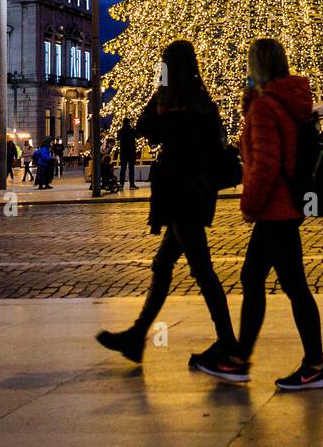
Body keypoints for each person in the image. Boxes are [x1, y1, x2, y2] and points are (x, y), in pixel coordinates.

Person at [96, 40, 242, 379]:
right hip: (196, 193)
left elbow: (146, 127)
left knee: (202, 271)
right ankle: (136, 336)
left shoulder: (171, 100)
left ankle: (229, 345)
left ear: (168, 68)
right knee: (164, 263)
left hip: (180, 195)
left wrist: (160, 88)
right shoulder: (202, 100)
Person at [234, 38, 323, 392]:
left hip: (275, 210)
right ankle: (240, 357)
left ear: (258, 66)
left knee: (293, 286)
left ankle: (314, 365)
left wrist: (249, 204)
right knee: (253, 277)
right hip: (287, 206)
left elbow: (266, 164)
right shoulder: (289, 101)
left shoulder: (265, 106)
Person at [117, 117, 138, 190]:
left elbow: (118, 138)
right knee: (131, 168)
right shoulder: (132, 130)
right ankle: (132, 185)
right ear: (129, 122)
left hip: (123, 152)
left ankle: (121, 184)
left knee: (123, 168)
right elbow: (138, 136)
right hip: (131, 151)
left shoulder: (120, 130)